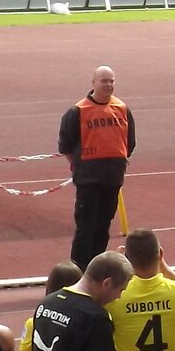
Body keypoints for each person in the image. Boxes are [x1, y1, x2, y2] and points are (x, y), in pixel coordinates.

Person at [58, 65, 137, 268]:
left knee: (103, 227)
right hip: (89, 180)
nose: (108, 85)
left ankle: (95, 268)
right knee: (85, 227)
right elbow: (65, 146)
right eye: (104, 81)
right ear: (93, 83)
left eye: (111, 81)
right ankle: (78, 271)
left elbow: (129, 144)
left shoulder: (122, 109)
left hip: (112, 178)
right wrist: (81, 166)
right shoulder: (78, 111)